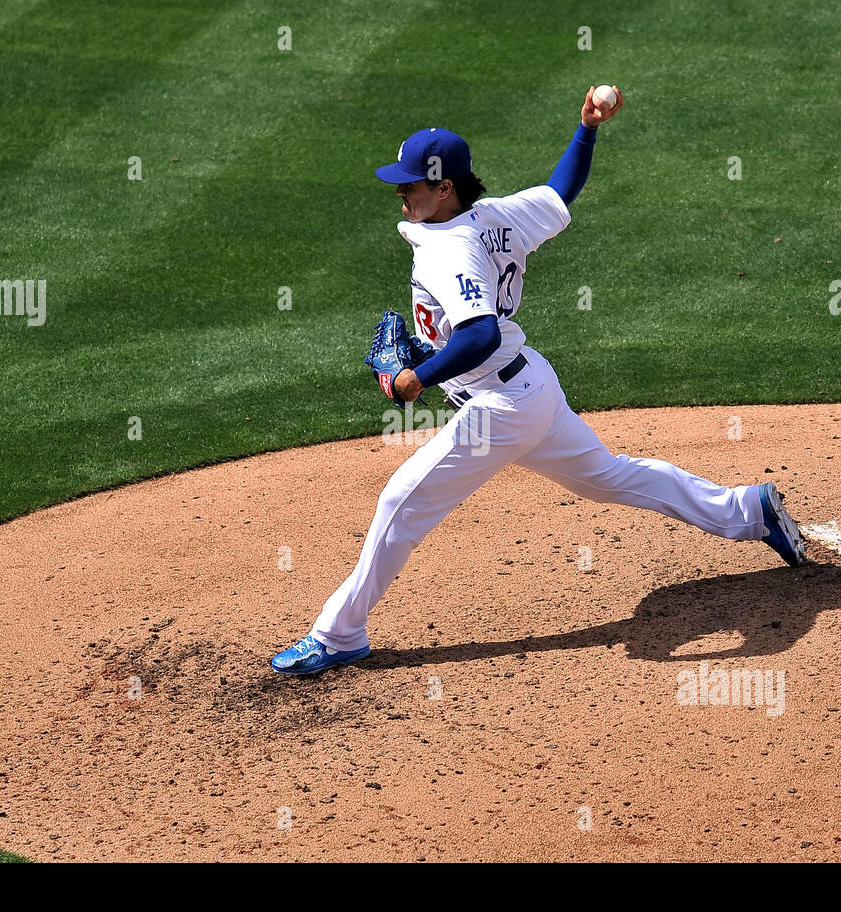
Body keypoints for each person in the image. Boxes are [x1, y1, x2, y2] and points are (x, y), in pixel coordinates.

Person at [272, 86, 806, 675]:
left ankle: (339, 634)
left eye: (411, 183)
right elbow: (559, 192)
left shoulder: (447, 251)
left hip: (499, 406)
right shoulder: (493, 214)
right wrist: (587, 129)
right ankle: (749, 510)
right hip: (532, 389)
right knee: (609, 477)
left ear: (443, 187)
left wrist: (410, 383)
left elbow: (475, 337)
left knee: (402, 500)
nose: (400, 191)